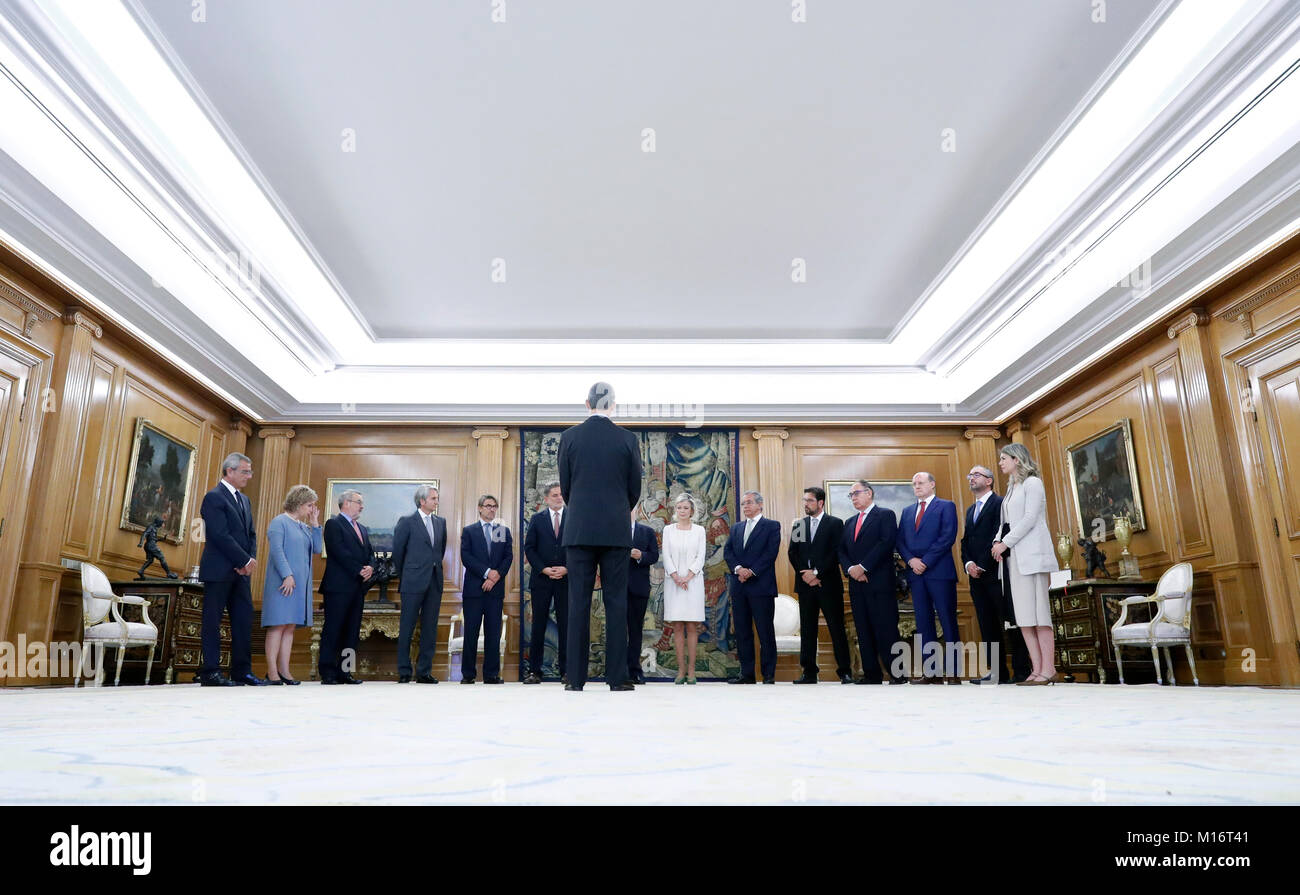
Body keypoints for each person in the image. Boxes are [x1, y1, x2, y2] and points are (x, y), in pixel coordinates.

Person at [558, 382, 644, 692]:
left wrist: (581, 510)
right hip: (616, 530)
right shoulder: (627, 439)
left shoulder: (569, 438)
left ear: (586, 403)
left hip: (579, 529)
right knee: (616, 603)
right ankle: (617, 678)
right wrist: (619, 511)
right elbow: (635, 487)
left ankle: (575, 680)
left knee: (577, 604)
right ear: (613, 405)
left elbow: (565, 487)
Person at [992, 444, 1061, 685]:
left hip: (1032, 555)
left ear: (1017, 459)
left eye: (1003, 458)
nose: (1000, 462)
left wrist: (1006, 543)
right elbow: (1007, 522)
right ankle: (1036, 668)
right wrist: (997, 542)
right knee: (1023, 617)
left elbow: (1030, 518)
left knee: (1039, 614)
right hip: (1015, 559)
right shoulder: (1012, 486)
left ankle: (1049, 668)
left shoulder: (1033, 483)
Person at [197, 452, 264, 686]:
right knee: (212, 622)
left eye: (250, 471)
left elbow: (251, 535)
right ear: (229, 471)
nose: (249, 476)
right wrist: (243, 561)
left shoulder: (244, 500)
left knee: (244, 620)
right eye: (245, 471)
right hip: (219, 570)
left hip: (241, 573)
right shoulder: (213, 497)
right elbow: (219, 534)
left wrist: (249, 561)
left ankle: (242, 671)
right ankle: (211, 671)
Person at [960, 467, 1031, 684]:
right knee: (986, 625)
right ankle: (998, 673)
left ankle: (1022, 671)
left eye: (977, 475)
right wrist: (969, 564)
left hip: (998, 573)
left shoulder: (1000, 503)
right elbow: (966, 542)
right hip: (976, 578)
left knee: (1009, 622)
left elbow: (1000, 534)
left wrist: (982, 564)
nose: (971, 478)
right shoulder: (971, 509)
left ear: (989, 480)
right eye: (969, 475)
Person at [838, 480, 905, 684]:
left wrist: (863, 567)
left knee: (886, 629)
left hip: (879, 582)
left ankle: (897, 674)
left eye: (856, 493)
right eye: (851, 495)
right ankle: (871, 674)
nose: (853, 498)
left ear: (869, 493)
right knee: (863, 629)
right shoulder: (849, 522)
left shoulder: (885, 515)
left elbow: (886, 543)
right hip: (857, 584)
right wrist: (851, 570)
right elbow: (841, 550)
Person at [896, 472, 960, 684]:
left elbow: (947, 536)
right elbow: (900, 541)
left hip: (939, 572)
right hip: (915, 574)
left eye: (921, 483)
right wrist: (911, 561)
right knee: (923, 624)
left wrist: (925, 561)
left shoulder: (946, 506)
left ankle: (953, 672)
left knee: (947, 621)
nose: (917, 486)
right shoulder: (906, 511)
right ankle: (931, 673)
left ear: (932, 484)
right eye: (914, 483)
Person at [788, 487, 851, 684]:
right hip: (805, 585)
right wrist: (806, 575)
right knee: (807, 629)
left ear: (821, 503)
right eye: (804, 500)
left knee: (836, 628)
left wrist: (816, 573)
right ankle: (809, 672)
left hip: (828, 584)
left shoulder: (835, 524)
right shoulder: (799, 525)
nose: (805, 504)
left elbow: (836, 553)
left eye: (810, 500)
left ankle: (845, 672)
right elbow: (793, 553)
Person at [261, 485, 322, 685]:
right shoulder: (279, 522)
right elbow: (277, 551)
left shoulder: (303, 527)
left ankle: (285, 672)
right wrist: (287, 574)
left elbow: (317, 549)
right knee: (278, 625)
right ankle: (272, 672)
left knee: (289, 627)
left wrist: (315, 524)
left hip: (299, 585)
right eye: (309, 505)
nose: (312, 509)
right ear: (298, 503)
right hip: (282, 582)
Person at [319, 489, 376, 685]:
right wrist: (359, 569)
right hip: (338, 587)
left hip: (357, 588)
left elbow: (370, 553)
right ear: (346, 503)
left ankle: (346, 671)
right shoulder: (333, 524)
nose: (362, 506)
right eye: (358, 502)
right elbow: (338, 552)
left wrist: (370, 567)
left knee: (352, 632)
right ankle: (327, 671)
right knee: (333, 629)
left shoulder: (362, 528)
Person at [724, 490, 782, 684]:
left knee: (765, 632)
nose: (745, 506)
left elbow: (770, 553)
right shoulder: (736, 528)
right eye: (743, 504)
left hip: (761, 587)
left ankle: (768, 675)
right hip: (739, 587)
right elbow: (728, 552)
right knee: (742, 632)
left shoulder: (772, 526)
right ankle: (747, 674)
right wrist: (739, 569)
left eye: (749, 503)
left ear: (760, 504)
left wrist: (751, 571)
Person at [391, 484, 446, 683]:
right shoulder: (407, 522)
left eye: (437, 498)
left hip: (434, 582)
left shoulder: (441, 522)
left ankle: (424, 671)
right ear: (422, 501)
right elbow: (398, 553)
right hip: (412, 582)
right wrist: (408, 573)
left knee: (430, 628)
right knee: (407, 627)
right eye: (433, 498)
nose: (436, 501)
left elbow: (439, 551)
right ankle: (404, 671)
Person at [459, 494, 513, 684]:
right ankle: (468, 675)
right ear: (480, 508)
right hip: (474, 591)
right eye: (488, 506)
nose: (492, 509)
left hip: (495, 591)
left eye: (494, 506)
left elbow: (508, 557)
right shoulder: (469, 531)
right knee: (471, 633)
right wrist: (487, 572)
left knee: (493, 633)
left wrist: (496, 575)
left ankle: (491, 675)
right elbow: (466, 557)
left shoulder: (502, 530)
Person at [522, 483, 567, 684]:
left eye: (561, 495)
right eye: (555, 495)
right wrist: (544, 569)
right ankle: (534, 671)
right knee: (538, 625)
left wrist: (567, 568)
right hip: (542, 579)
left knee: (566, 626)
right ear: (546, 499)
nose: (559, 498)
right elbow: (529, 548)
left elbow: (578, 547)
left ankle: (567, 671)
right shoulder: (537, 519)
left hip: (566, 579)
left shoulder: (573, 517)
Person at [661, 494, 704, 684]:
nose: (682, 511)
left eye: (686, 508)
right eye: (679, 508)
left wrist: (688, 576)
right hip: (674, 582)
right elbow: (666, 555)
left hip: (693, 582)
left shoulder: (699, 530)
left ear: (692, 511)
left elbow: (701, 556)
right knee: (677, 625)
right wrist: (676, 576)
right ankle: (680, 671)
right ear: (675, 510)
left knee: (692, 626)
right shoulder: (668, 530)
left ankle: (692, 671)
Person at [627, 505, 661, 684]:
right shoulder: (611, 531)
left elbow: (654, 556)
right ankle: (616, 669)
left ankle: (634, 670)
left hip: (639, 588)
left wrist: (641, 556)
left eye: (630, 508)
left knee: (635, 630)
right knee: (616, 630)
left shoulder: (647, 532)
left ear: (636, 512)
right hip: (616, 589)